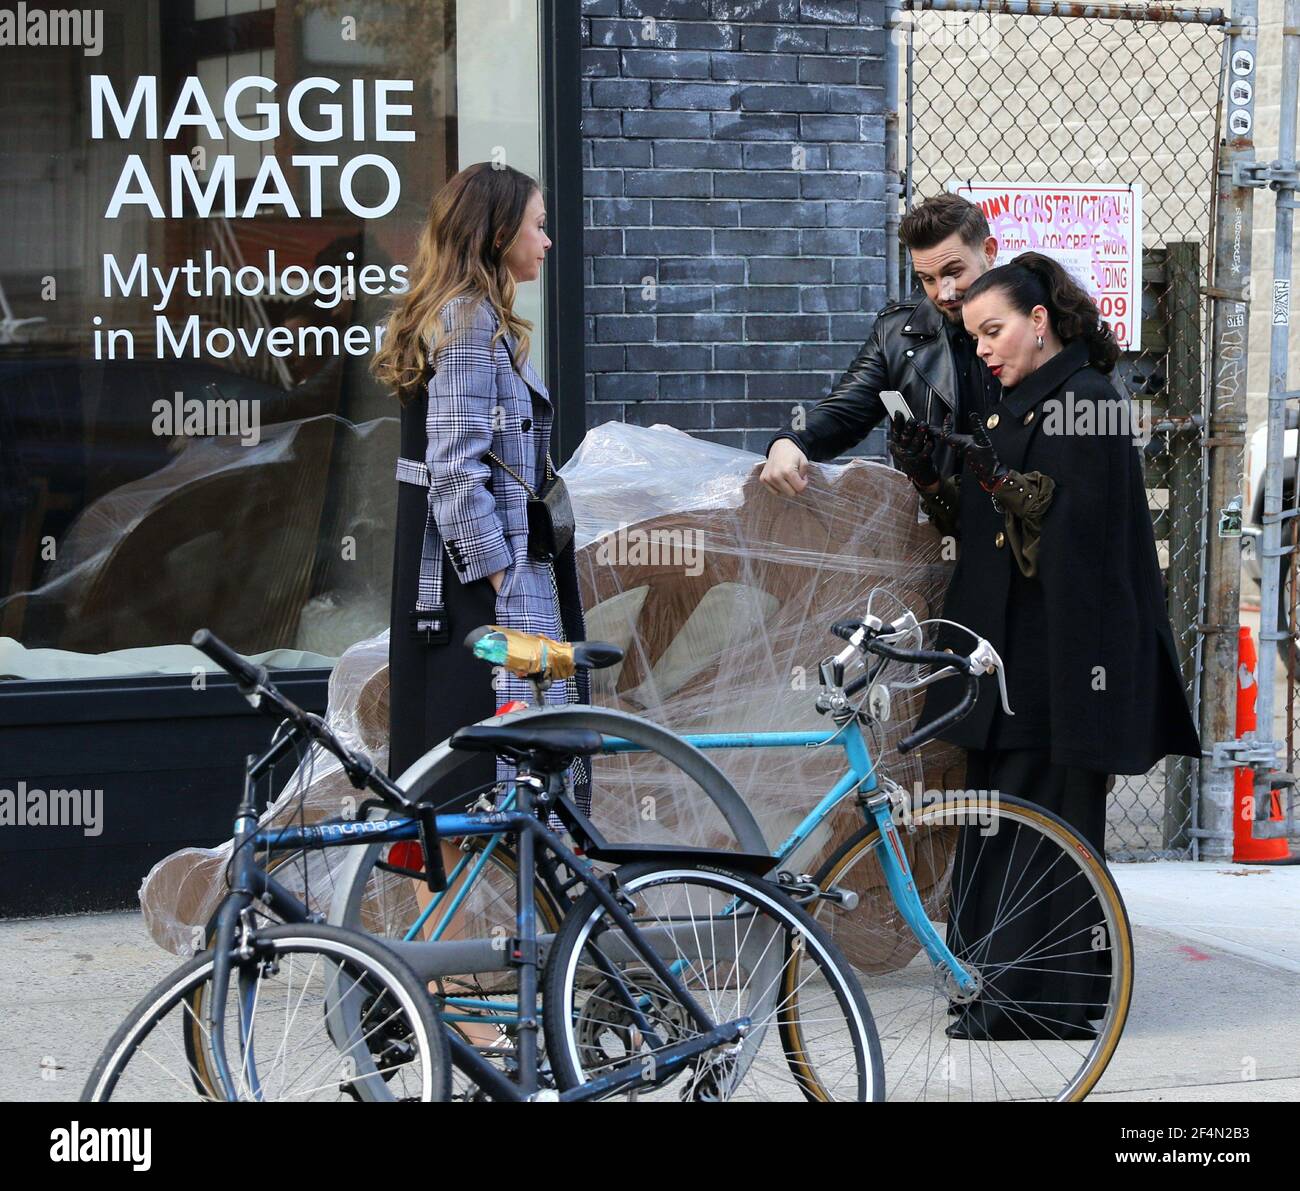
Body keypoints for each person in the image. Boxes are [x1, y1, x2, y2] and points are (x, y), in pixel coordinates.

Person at [889, 251, 1201, 1040]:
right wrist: (936, 479)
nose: (984, 348)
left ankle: (1044, 1001)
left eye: (994, 330)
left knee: (1041, 820)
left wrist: (999, 485)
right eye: (974, 334)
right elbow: (993, 530)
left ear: (1040, 321)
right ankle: (1000, 985)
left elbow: (1079, 544)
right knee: (1004, 815)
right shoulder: (1016, 402)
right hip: (1008, 652)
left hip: (1062, 658)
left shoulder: (1086, 399)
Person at [371, 160, 590, 859]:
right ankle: (474, 951)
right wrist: (504, 581)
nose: (547, 241)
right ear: (499, 234)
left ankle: (531, 943)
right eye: (538, 225)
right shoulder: (468, 323)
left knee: (505, 767)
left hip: (487, 576)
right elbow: (454, 469)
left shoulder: (470, 315)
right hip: (487, 587)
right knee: (502, 769)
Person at [760, 192, 1000, 498]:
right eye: (927, 278)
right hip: (938, 518)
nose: (943, 292)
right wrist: (792, 440)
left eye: (953, 273)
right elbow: (846, 409)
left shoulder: (1033, 320)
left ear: (989, 251)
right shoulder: (897, 334)